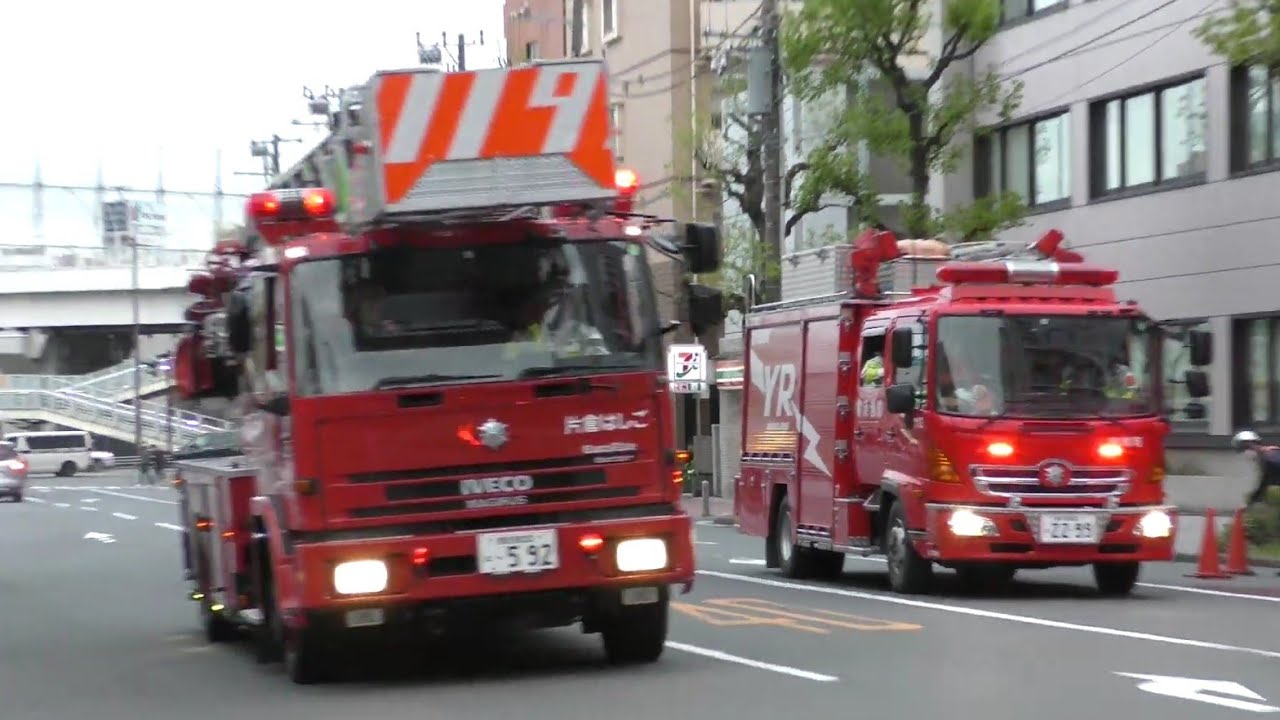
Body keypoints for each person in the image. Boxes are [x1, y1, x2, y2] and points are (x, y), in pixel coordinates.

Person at [1233, 430, 1280, 508]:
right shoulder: (1266, 458)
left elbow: (1265, 482)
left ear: (1252, 446)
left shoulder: (1270, 456)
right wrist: (1252, 501)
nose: (1244, 454)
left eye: (1244, 450)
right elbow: (1264, 483)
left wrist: (1251, 501)